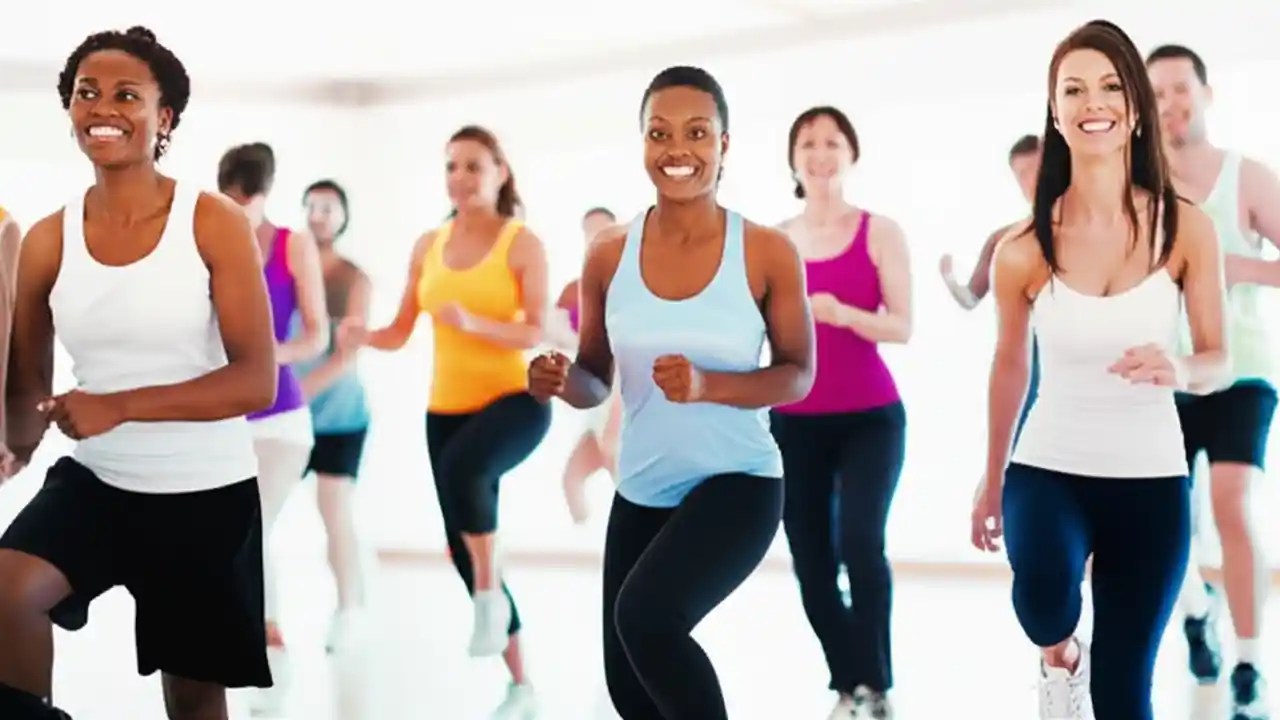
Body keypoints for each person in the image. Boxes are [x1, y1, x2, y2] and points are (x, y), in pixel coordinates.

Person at [0, 26, 278, 720]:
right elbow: (28, 385)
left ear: (165, 118)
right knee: (7, 589)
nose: (103, 107)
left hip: (204, 496)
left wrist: (120, 404)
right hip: (99, 483)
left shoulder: (213, 222)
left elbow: (255, 382)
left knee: (191, 695)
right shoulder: (47, 238)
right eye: (86, 92)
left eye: (128, 94)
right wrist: (13, 444)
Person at [528, 65, 815, 720]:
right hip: (643, 486)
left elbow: (797, 373)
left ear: (725, 145)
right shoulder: (608, 253)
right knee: (630, 685)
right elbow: (596, 375)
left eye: (696, 133)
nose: (677, 150)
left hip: (740, 481)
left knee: (648, 618)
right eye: (659, 134)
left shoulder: (766, 251)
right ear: (642, 144)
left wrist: (710, 385)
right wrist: (558, 380)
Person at [970, 20, 1229, 720]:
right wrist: (990, 480)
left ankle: (1091, 677)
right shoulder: (1024, 246)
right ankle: (1061, 660)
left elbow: (1216, 358)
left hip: (1150, 479)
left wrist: (1178, 366)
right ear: (1054, 111)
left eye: (1112, 85)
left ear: (1136, 106)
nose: (1094, 101)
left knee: (1124, 697)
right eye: (1074, 89)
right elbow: (1006, 366)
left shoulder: (1188, 227)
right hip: (1049, 463)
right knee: (1042, 599)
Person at [344, 125, 549, 719]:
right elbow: (401, 329)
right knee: (460, 543)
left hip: (515, 400)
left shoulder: (521, 241)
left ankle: (488, 594)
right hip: (446, 410)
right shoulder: (427, 245)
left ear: (500, 172)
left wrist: (476, 322)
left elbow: (536, 329)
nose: (461, 177)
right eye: (452, 166)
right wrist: (364, 338)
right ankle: (520, 683)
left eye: (474, 166)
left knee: (468, 473)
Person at [1147, 43, 1280, 718]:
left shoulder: (1247, 177)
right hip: (1162, 376)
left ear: (1206, 92)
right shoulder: (1140, 191)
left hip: (1243, 369)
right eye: (1158, 94)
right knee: (1163, 522)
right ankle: (1198, 615)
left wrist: (1232, 265)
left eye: (1180, 89)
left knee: (1231, 505)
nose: (1171, 104)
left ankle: (1250, 666)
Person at [772, 105, 911, 720]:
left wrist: (840, 313)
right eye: (809, 143)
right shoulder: (775, 241)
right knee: (811, 561)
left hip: (870, 418)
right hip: (794, 422)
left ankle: (875, 687)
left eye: (833, 142)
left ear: (851, 154)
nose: (821, 153)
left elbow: (903, 326)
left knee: (860, 543)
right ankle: (846, 682)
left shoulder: (880, 232)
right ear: (794, 159)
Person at [216, 141, 327, 715]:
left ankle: (268, 627)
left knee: (253, 520)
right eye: (227, 202)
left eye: (246, 202)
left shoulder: (294, 245)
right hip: (225, 420)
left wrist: (268, 355)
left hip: (283, 422)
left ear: (263, 196)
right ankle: (256, 627)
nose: (237, 213)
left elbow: (317, 335)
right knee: (234, 525)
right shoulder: (206, 242)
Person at [292, 178, 370, 654]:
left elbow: (347, 357)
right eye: (312, 206)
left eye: (329, 207)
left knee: (333, 511)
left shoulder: (353, 279)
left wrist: (294, 395)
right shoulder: (289, 268)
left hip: (340, 416)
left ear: (343, 217)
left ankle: (347, 610)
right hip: (288, 421)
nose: (320, 214)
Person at [553, 206, 623, 524]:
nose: (596, 238)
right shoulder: (576, 289)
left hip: (623, 400)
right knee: (572, 480)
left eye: (603, 231)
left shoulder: (630, 286)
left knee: (621, 476)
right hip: (597, 403)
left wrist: (615, 420)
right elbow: (558, 335)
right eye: (590, 232)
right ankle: (593, 544)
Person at [939, 134, 1041, 310]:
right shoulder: (1004, 239)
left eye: (1038, 168)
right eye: (1023, 174)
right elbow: (969, 300)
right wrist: (950, 279)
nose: (1033, 179)